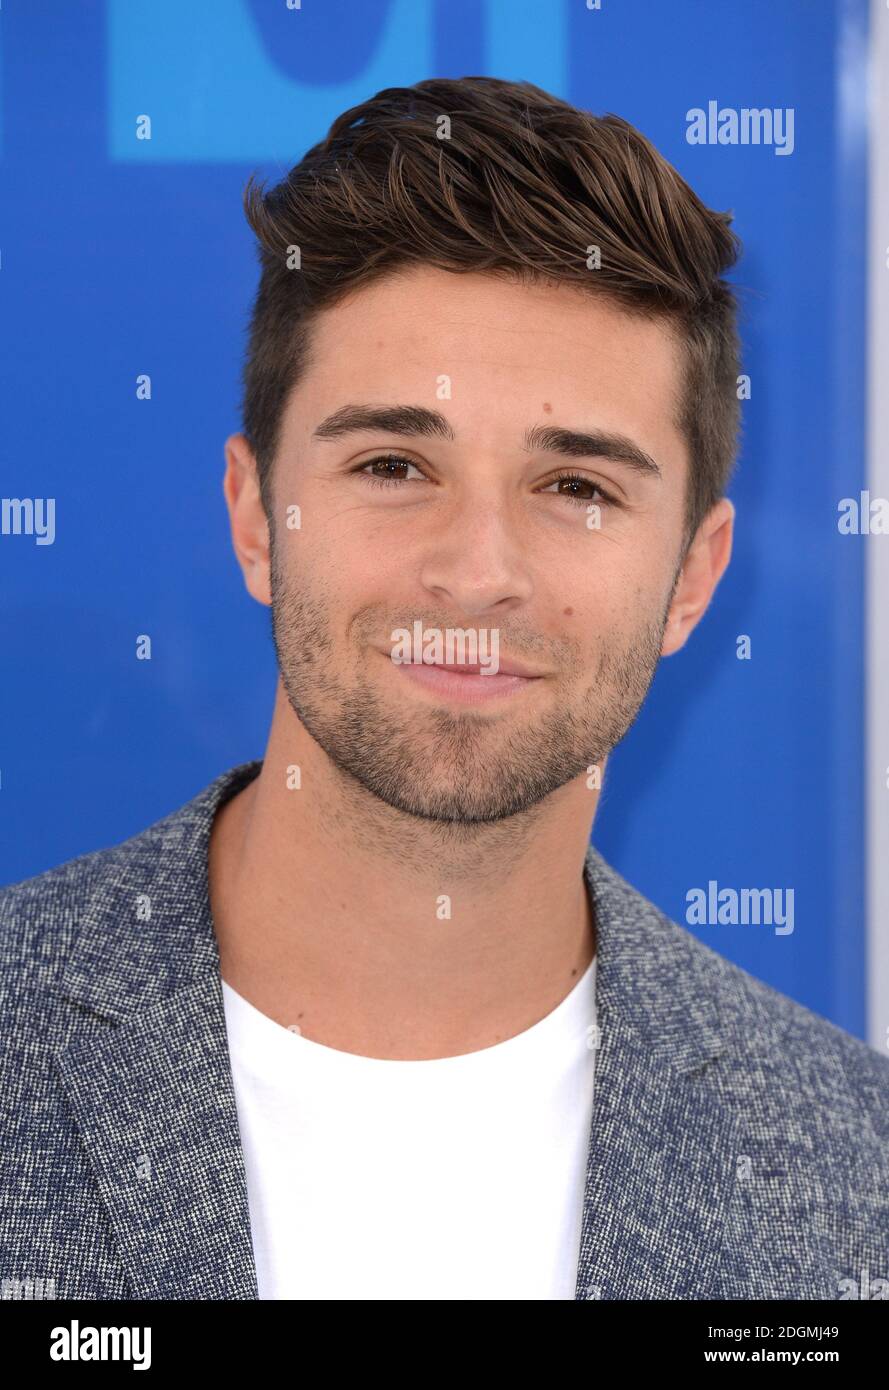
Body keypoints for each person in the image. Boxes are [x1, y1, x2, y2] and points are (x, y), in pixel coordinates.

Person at [1, 77, 887, 1303]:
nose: (478, 572)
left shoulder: (859, 1179)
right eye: (392, 462)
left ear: (692, 577)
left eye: (576, 486)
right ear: (257, 517)